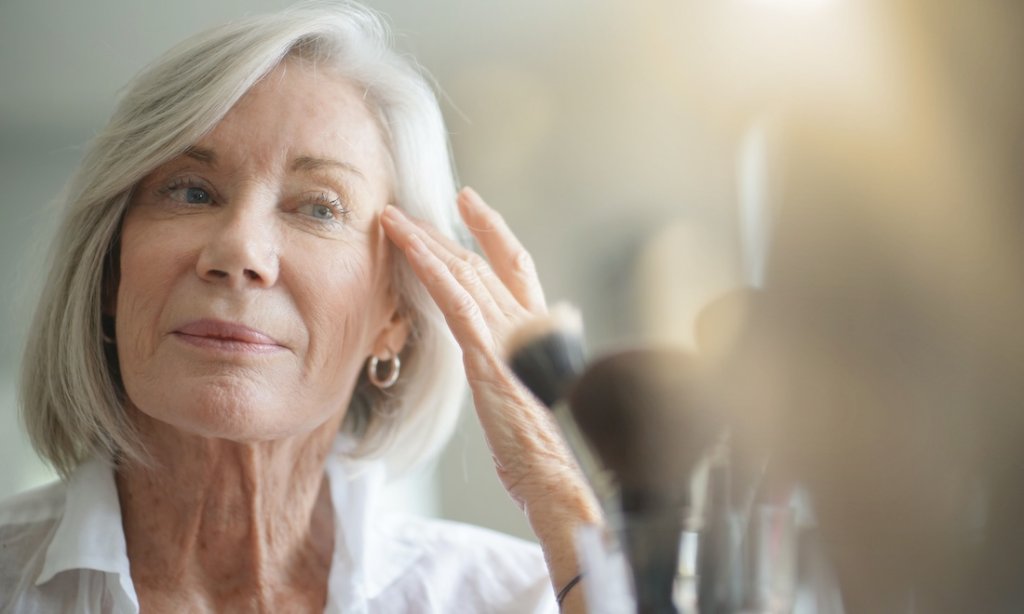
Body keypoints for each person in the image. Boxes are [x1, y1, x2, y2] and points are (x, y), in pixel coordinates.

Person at [0, 3, 600, 612]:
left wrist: (553, 488)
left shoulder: (519, 597)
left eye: (318, 207)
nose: (238, 250)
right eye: (191, 191)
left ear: (393, 319)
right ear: (110, 274)